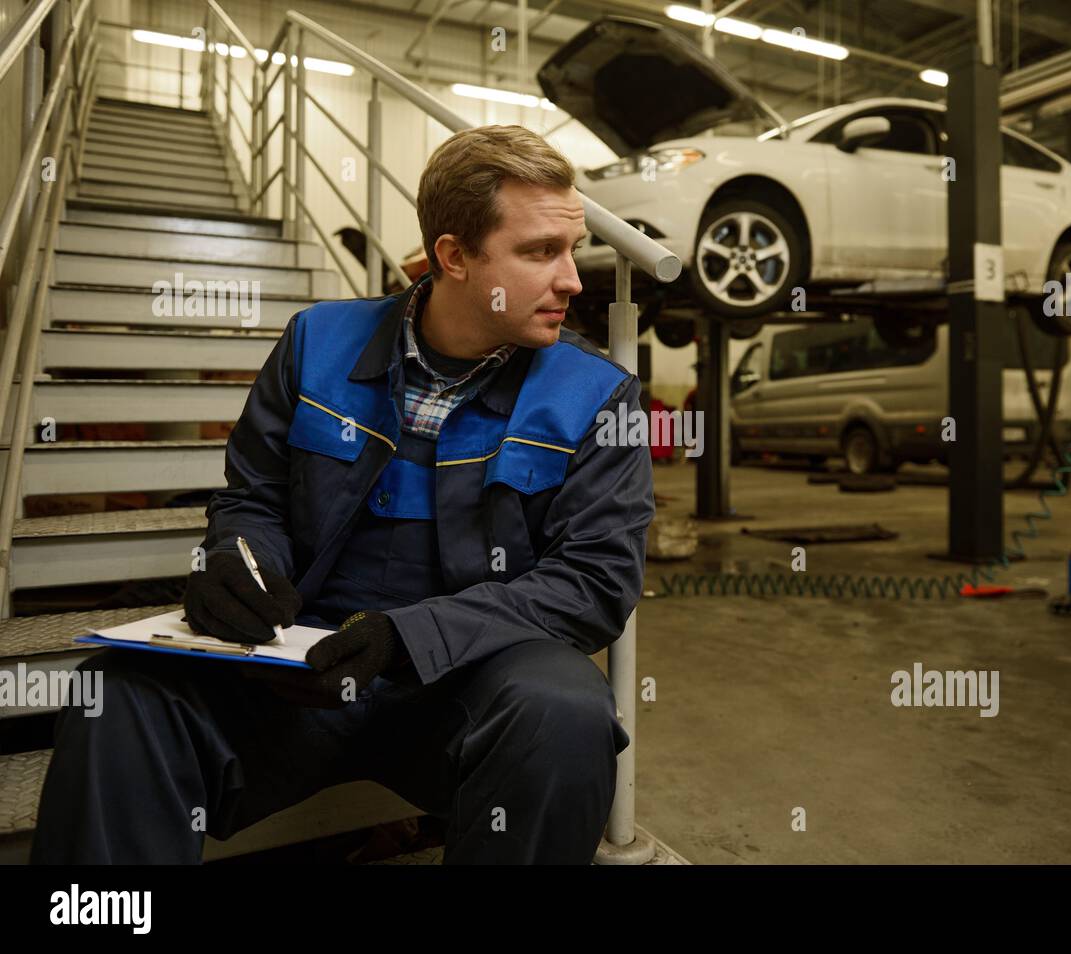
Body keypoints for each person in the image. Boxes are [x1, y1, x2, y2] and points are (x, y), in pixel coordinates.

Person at [31, 124, 654, 865]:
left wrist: (410, 639)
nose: (573, 280)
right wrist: (237, 564)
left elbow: (594, 581)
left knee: (566, 713)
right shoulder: (315, 343)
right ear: (455, 257)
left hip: (468, 687)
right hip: (300, 675)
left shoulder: (598, 397)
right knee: (121, 692)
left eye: (571, 249)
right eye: (539, 252)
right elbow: (253, 498)